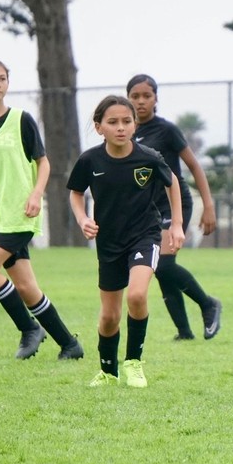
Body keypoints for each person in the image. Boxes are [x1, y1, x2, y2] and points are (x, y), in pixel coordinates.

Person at [0, 59, 84, 361]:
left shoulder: (21, 119)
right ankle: (69, 344)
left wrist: (36, 194)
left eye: (3, 78)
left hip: (21, 212)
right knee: (27, 287)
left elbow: (43, 163)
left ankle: (29, 329)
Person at [67, 95, 185, 388]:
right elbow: (76, 193)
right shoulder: (90, 160)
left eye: (126, 121)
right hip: (108, 243)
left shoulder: (148, 157)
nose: (120, 127)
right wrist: (83, 219)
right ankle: (108, 372)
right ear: (99, 127)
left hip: (145, 236)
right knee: (109, 316)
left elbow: (173, 185)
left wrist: (178, 225)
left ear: (134, 125)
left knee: (137, 295)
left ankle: (133, 362)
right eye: (113, 122)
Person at [126, 74, 222, 341]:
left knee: (165, 266)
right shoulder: (127, 132)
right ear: (128, 99)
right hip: (148, 211)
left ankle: (208, 304)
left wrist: (209, 205)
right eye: (135, 96)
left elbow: (194, 166)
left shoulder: (166, 130)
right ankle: (184, 332)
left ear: (156, 98)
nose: (141, 101)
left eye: (147, 95)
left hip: (174, 205)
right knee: (161, 270)